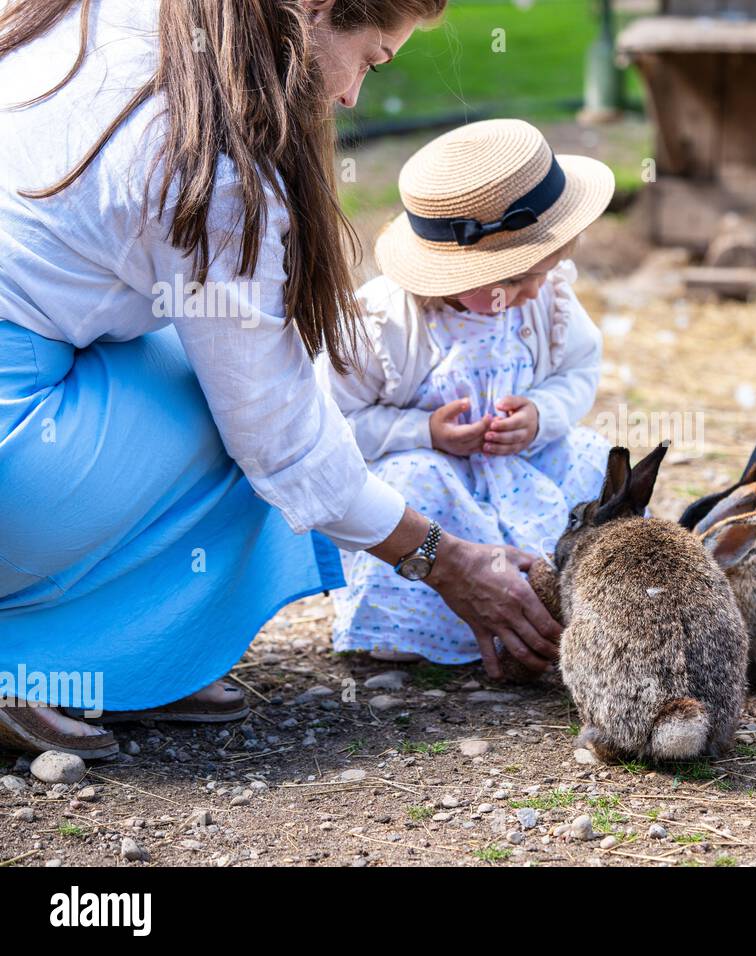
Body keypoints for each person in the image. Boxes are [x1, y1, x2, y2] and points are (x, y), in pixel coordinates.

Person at [0, 0, 560, 760]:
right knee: (242, 425)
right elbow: (280, 437)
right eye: (371, 57)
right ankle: (49, 659)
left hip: (32, 360)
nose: (352, 97)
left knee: (212, 367)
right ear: (317, 10)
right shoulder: (209, 163)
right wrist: (448, 562)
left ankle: (131, 656)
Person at [320, 120, 614, 663]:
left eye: (541, 273)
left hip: (523, 469)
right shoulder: (381, 322)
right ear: (445, 273)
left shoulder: (550, 303)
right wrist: (422, 431)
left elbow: (578, 372)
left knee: (595, 457)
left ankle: (575, 605)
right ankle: (417, 630)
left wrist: (542, 413)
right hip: (443, 487)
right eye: (508, 281)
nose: (528, 293)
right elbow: (333, 421)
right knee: (412, 480)